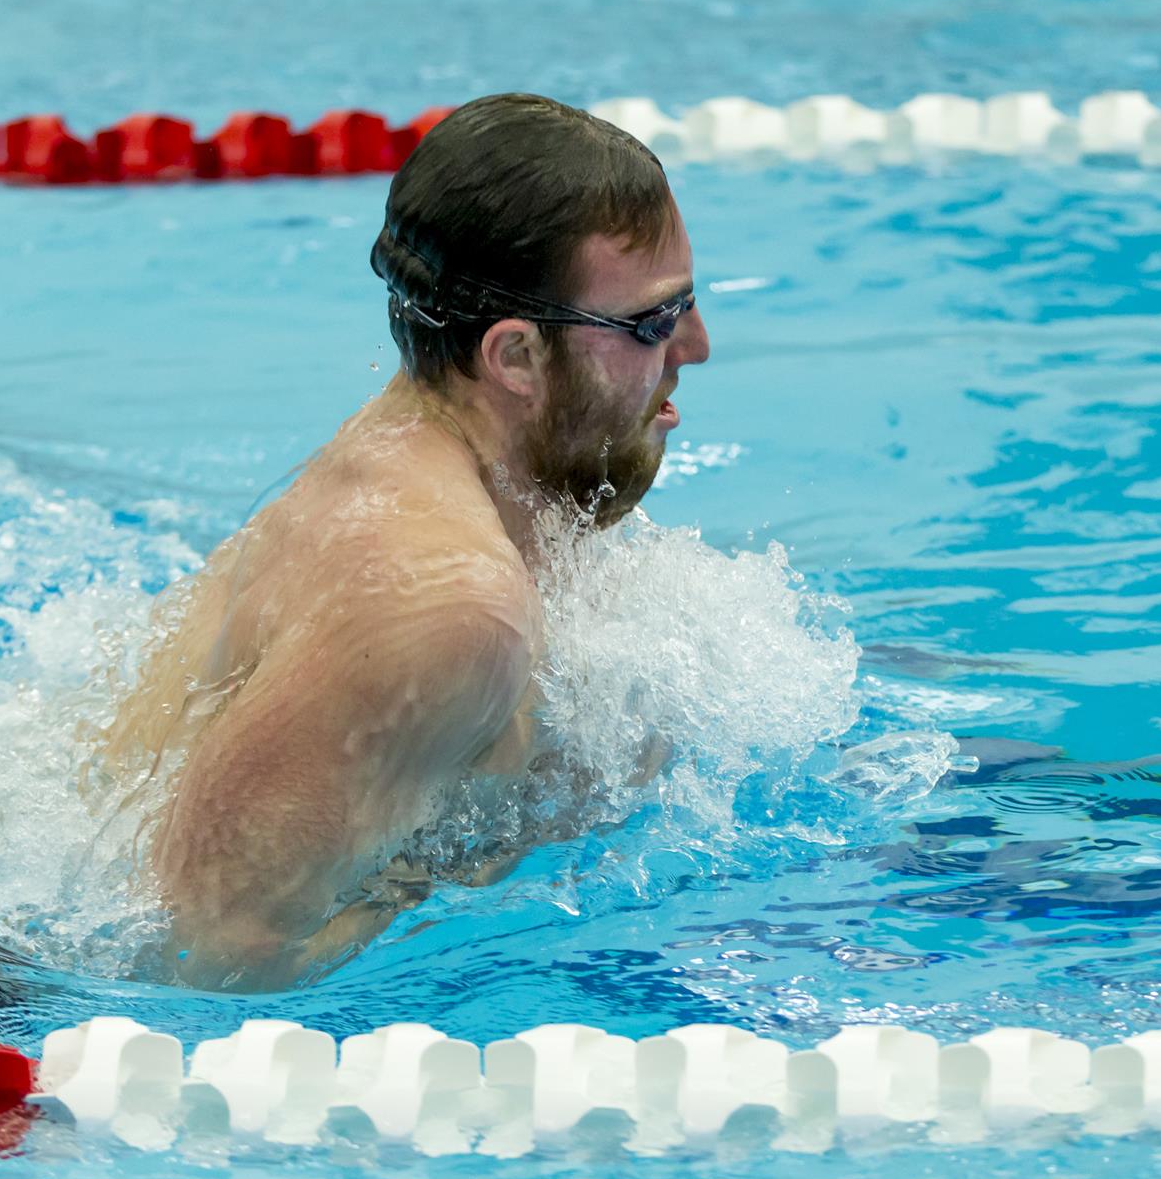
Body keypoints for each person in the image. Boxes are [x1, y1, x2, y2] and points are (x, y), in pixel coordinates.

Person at [100, 93, 711, 991]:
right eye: (653, 323)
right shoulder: (451, 607)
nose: (695, 346)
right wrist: (522, 842)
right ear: (515, 359)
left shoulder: (417, 453)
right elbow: (205, 953)